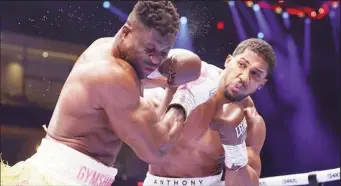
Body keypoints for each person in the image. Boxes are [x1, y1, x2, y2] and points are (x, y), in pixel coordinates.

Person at [1, 2, 211, 186]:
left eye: (163, 53)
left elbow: (150, 77)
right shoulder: (114, 74)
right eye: (150, 50)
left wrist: (174, 78)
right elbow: (156, 150)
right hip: (59, 180)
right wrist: (185, 96)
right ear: (126, 32)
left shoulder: (111, 50)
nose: (156, 60)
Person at [143, 38, 276, 186]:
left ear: (262, 84)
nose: (244, 77)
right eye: (241, 65)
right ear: (228, 61)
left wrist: (236, 150)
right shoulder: (195, 76)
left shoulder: (251, 121)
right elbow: (137, 78)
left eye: (255, 74)